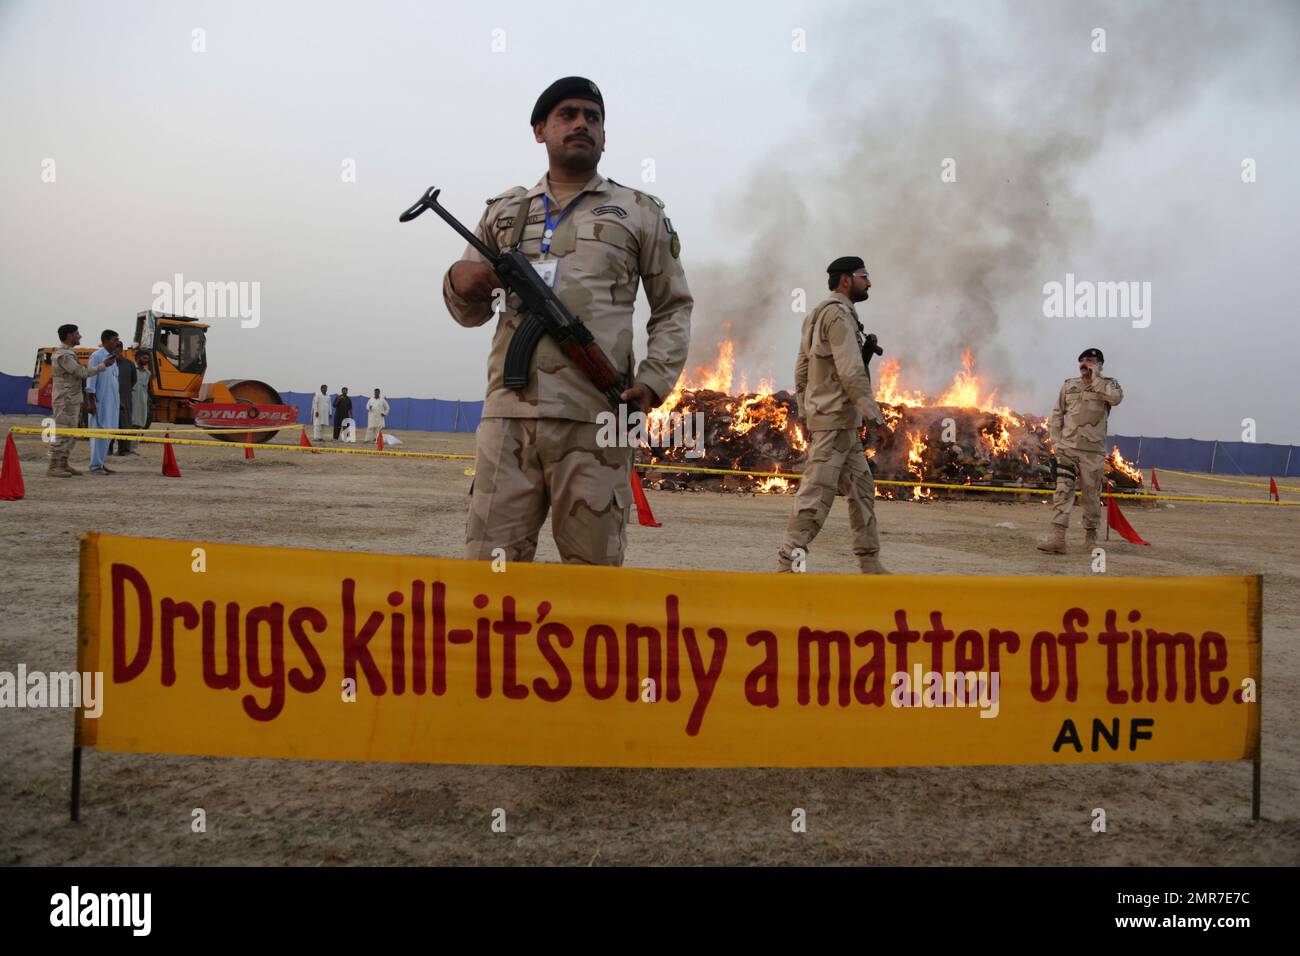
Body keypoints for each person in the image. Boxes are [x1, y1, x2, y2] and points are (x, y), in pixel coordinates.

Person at [443, 76, 692, 565]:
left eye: (592, 117)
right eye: (567, 115)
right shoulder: (505, 212)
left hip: (599, 419)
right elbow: (468, 312)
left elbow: (672, 307)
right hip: (509, 420)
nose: (582, 124)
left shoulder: (639, 212)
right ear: (540, 131)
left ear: (604, 136)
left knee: (592, 578)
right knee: (491, 572)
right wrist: (457, 281)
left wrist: (654, 382)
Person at [777, 256, 888, 574]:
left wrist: (806, 408)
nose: (869, 282)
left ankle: (870, 562)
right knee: (816, 495)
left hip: (838, 422)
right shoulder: (838, 316)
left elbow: (801, 367)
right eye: (864, 276)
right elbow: (851, 370)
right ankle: (789, 563)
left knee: (862, 490)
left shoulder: (816, 314)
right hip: (836, 421)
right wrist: (873, 415)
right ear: (845, 280)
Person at [1037, 347, 1124, 554]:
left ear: (1100, 364)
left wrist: (1096, 379)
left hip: (1092, 452)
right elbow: (1058, 414)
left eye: (1091, 360)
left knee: (1091, 496)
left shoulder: (1109, 385)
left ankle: (1090, 539)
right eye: (1083, 360)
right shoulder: (1069, 385)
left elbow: (1116, 399)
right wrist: (1056, 443)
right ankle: (1058, 539)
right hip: (1068, 450)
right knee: (1062, 492)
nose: (1086, 363)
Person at [46, 324, 115, 477]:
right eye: (77, 334)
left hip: (71, 399)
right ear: (70, 335)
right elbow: (81, 373)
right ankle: (53, 466)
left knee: (71, 433)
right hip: (65, 400)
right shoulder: (64, 355)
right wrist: (103, 366)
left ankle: (63, 464)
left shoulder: (69, 353)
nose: (80, 336)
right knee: (62, 432)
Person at [84, 329, 123, 474]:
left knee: (108, 432)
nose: (117, 342)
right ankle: (95, 466)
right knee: (98, 433)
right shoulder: (97, 356)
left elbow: (113, 381)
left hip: (112, 402)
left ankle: (100, 462)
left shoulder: (112, 358)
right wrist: (91, 402)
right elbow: (91, 381)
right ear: (106, 341)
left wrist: (119, 402)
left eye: (118, 339)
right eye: (114, 339)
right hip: (100, 402)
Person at [113, 341, 138, 456]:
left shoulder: (129, 364)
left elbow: (134, 380)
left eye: (118, 348)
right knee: (110, 424)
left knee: (125, 424)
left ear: (121, 349)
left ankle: (124, 450)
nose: (116, 350)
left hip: (125, 399)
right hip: (110, 400)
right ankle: (108, 449)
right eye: (114, 348)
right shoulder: (108, 363)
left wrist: (124, 392)